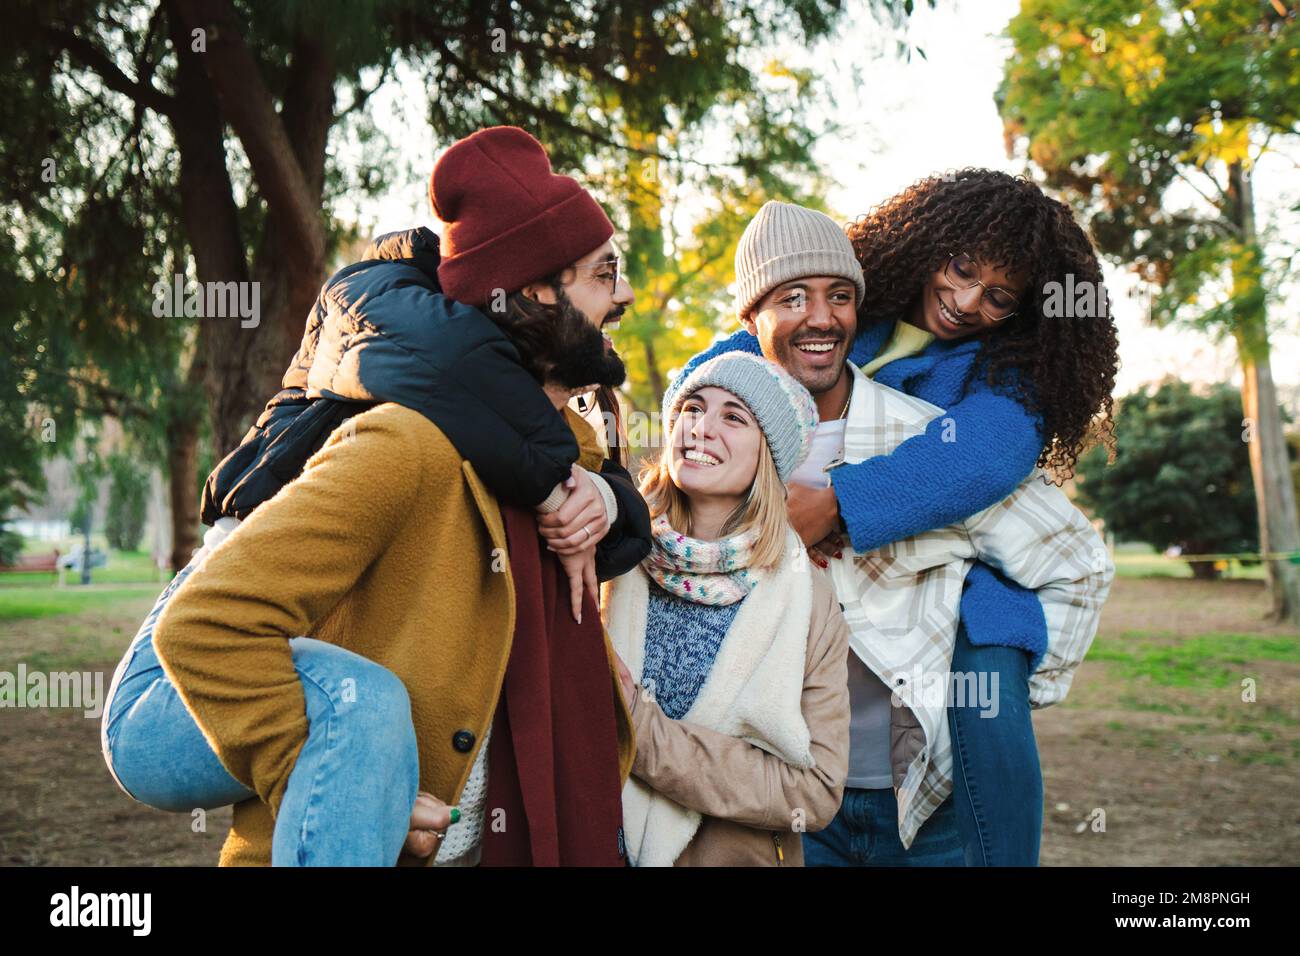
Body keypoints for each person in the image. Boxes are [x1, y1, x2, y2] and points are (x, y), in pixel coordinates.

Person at [100, 126, 651, 867]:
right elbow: (207, 627)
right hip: (182, 681)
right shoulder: (406, 437)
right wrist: (357, 793)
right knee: (364, 704)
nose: (626, 293)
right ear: (533, 293)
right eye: (604, 272)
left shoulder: (552, 458)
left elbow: (601, 482)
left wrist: (611, 502)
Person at [676, 197, 1115, 865]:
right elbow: (711, 376)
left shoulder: (992, 369)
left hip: (952, 592)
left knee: (989, 660)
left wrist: (839, 504)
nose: (968, 301)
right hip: (810, 737)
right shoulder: (848, 310)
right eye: (962, 268)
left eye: (999, 297)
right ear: (924, 245)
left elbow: (987, 454)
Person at [604, 352, 850, 866]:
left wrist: (640, 730)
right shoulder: (612, 553)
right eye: (692, 409)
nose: (701, 428)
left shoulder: (807, 596)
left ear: (769, 455)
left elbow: (816, 791)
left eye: (734, 417)